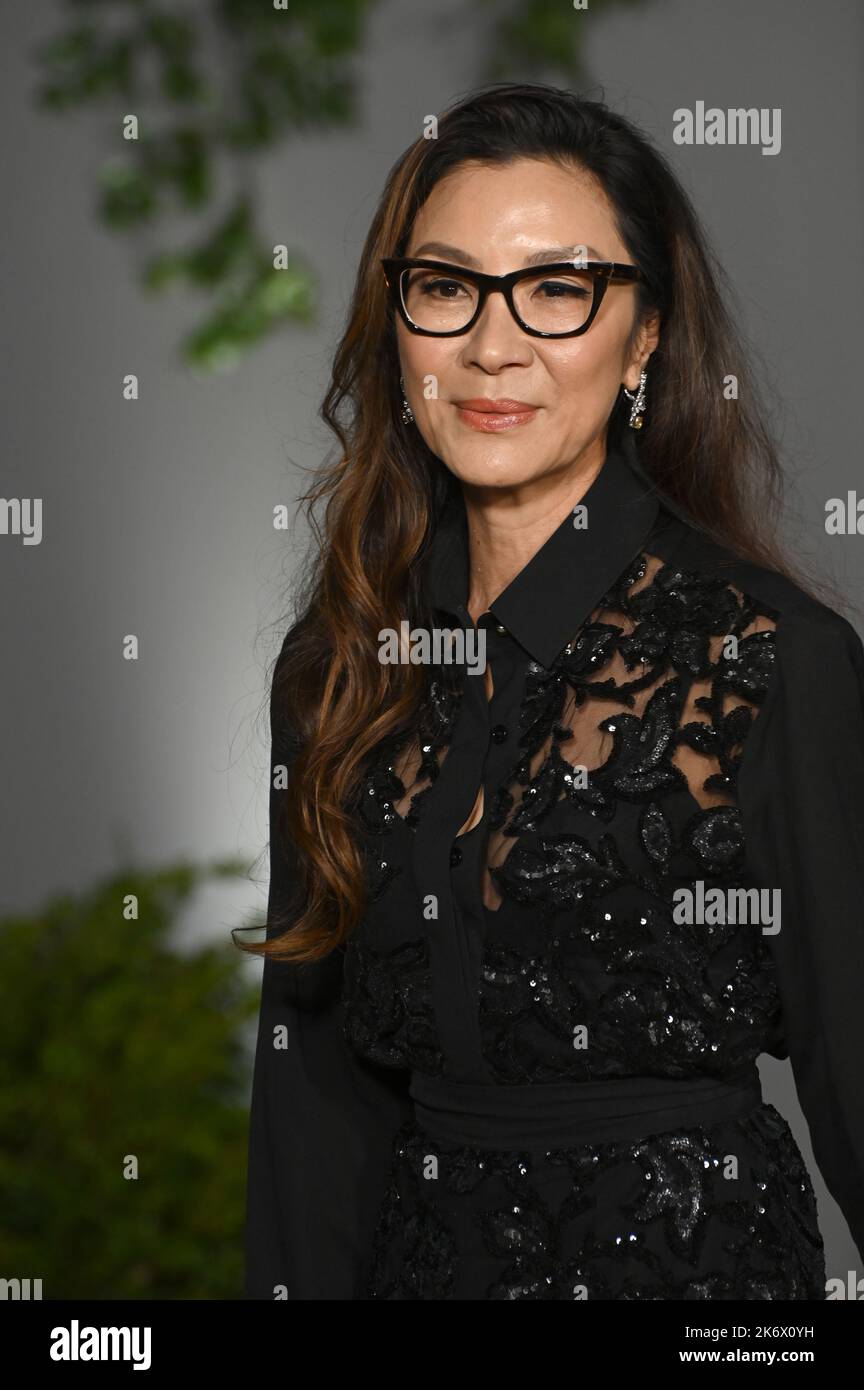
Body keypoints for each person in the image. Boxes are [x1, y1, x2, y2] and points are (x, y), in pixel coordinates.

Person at [238, 83, 864, 1300]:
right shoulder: (339, 666)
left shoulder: (771, 655)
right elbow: (312, 1118)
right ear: (398, 319)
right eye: (445, 286)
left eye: (558, 289)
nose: (493, 344)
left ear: (643, 338)